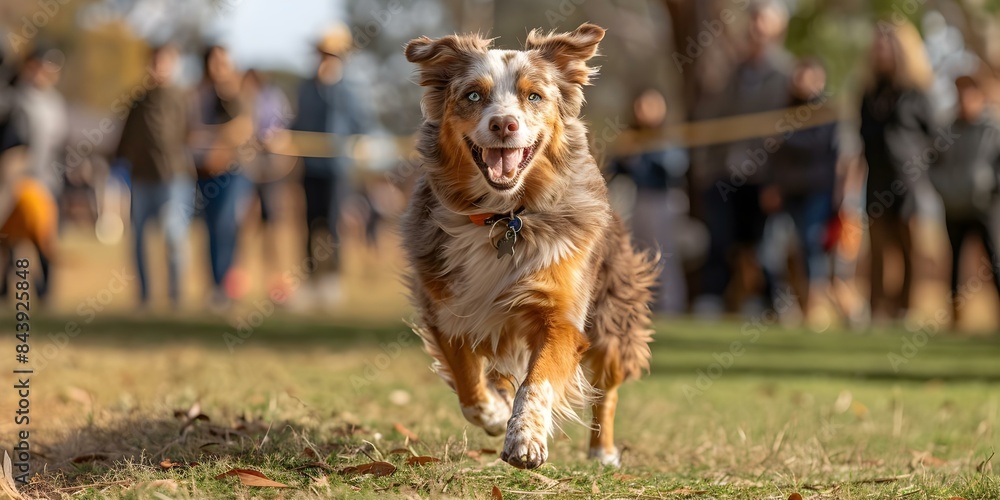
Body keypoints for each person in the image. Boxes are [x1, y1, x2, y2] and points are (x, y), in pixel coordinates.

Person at [693, 0, 793, 318]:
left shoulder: (787, 74)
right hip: (725, 173)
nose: (757, 28)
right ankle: (712, 299)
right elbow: (713, 123)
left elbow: (791, 133)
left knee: (763, 246)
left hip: (764, 177)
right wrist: (705, 168)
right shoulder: (732, 73)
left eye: (764, 21)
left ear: (779, 28)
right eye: (753, 21)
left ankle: (763, 302)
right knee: (721, 240)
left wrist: (778, 180)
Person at [290, 25, 374, 306]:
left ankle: (332, 281)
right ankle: (311, 280)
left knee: (334, 224)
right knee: (310, 224)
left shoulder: (348, 90)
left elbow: (361, 125)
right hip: (310, 168)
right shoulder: (305, 88)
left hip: (337, 170)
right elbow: (298, 123)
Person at [858, 24, 933, 322]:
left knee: (908, 247)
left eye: (887, 45)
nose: (882, 51)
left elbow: (934, 139)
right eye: (878, 45)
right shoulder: (869, 94)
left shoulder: (916, 93)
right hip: (875, 180)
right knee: (876, 249)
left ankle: (906, 309)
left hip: (907, 181)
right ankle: (876, 309)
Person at [760, 58, 839, 331]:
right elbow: (771, 156)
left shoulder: (826, 113)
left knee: (811, 245)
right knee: (772, 249)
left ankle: (815, 306)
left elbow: (818, 148)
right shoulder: (784, 112)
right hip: (786, 192)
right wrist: (772, 185)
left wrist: (784, 138)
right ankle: (784, 305)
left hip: (816, 191)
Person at [116, 43, 195, 309]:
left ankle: (176, 296)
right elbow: (124, 139)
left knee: (174, 235)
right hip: (141, 178)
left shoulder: (182, 98)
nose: (158, 67)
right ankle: (144, 297)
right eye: (154, 61)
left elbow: (191, 134)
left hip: (174, 178)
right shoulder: (138, 100)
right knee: (139, 238)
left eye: (164, 62)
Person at [607, 89, 689, 314]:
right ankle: (645, 303)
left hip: (664, 199)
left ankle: (671, 305)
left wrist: (640, 157)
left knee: (665, 252)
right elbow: (615, 170)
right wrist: (626, 156)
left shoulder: (667, 137)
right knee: (640, 253)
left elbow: (675, 167)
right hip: (639, 199)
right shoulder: (631, 135)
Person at [929, 75, 1000, 327]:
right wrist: (945, 190)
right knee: (954, 264)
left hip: (985, 207)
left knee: (995, 260)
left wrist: (990, 189)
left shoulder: (992, 131)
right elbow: (931, 165)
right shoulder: (947, 132)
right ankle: (955, 319)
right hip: (955, 207)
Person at [191, 45, 254, 310]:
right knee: (212, 228)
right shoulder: (197, 94)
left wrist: (221, 148)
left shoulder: (236, 93)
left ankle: (226, 285)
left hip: (233, 172)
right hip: (205, 172)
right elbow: (190, 131)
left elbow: (244, 128)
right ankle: (215, 287)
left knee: (228, 226)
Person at [240, 68, 293, 298]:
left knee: (272, 226)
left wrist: (271, 138)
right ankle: (239, 278)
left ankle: (278, 281)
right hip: (246, 170)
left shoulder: (273, 98)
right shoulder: (240, 99)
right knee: (243, 225)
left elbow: (282, 126)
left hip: (269, 172)